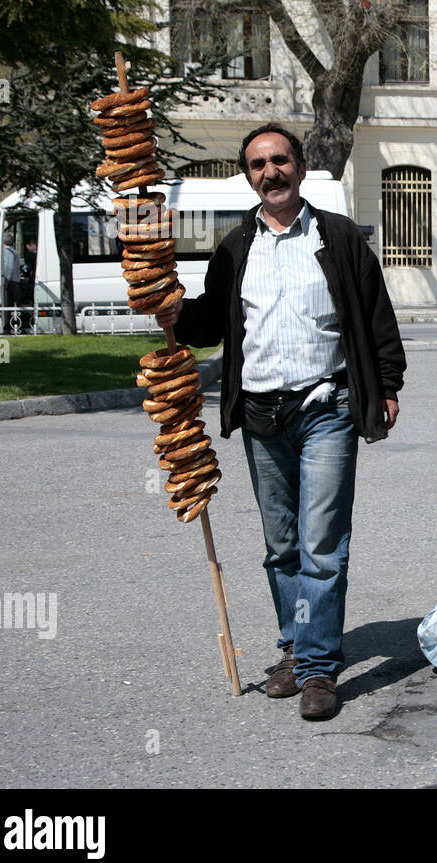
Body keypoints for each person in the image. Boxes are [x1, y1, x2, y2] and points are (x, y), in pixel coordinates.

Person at [157, 123, 406, 719]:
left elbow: (377, 317)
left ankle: (318, 668)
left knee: (322, 544)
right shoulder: (236, 246)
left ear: (300, 166)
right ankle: (297, 646)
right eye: (257, 165)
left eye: (280, 161)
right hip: (263, 414)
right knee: (281, 546)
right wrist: (172, 313)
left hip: (327, 408)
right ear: (249, 175)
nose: (270, 173)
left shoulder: (339, 238)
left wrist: (388, 386)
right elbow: (211, 320)